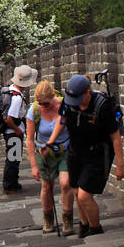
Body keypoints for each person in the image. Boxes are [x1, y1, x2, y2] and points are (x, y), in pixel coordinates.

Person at [44, 73, 124, 238]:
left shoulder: (101, 106)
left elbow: (115, 136)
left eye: (80, 99)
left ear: (88, 91)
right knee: (75, 191)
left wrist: (120, 165)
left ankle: (96, 229)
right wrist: (51, 141)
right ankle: (84, 225)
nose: (77, 103)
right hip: (76, 151)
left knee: (84, 196)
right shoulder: (69, 102)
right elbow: (63, 119)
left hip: (97, 153)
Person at [26, 81, 74, 235]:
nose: (43, 107)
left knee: (66, 183)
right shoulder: (34, 110)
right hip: (43, 152)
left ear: (53, 97)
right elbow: (29, 139)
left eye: (46, 104)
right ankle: (48, 218)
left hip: (65, 150)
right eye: (41, 104)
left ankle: (67, 218)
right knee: (47, 186)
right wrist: (33, 166)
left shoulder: (65, 106)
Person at [2, 65, 37, 193]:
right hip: (13, 133)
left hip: (10, 132)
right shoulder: (16, 98)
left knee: (13, 157)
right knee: (13, 159)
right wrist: (18, 131)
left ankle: (12, 182)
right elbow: (9, 119)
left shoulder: (10, 89)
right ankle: (10, 185)